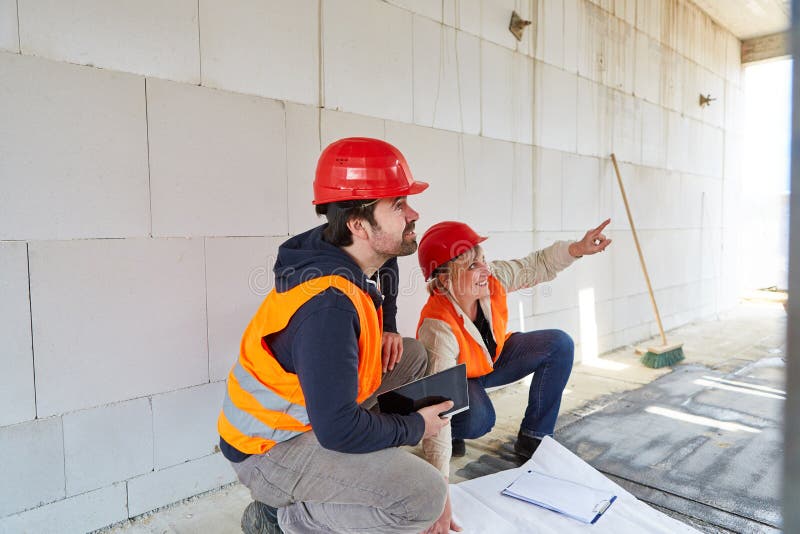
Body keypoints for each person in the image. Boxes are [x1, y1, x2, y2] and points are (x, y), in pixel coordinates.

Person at [218, 137, 452, 534]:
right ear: (359, 225)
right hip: (268, 449)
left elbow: (389, 262)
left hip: (307, 415)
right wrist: (415, 427)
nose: (413, 213)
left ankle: (363, 465)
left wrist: (389, 327)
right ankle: (279, 519)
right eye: (398, 205)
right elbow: (338, 428)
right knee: (423, 497)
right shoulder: (327, 307)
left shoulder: (339, 246)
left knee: (409, 354)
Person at [415, 219, 612, 533]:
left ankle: (533, 437)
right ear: (442, 282)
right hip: (458, 381)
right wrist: (439, 492)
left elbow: (535, 265)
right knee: (481, 419)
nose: (485, 269)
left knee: (558, 344)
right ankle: (458, 433)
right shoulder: (438, 326)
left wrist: (577, 249)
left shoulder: (491, 279)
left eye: (482, 259)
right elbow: (438, 404)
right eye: (472, 266)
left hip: (491, 361)